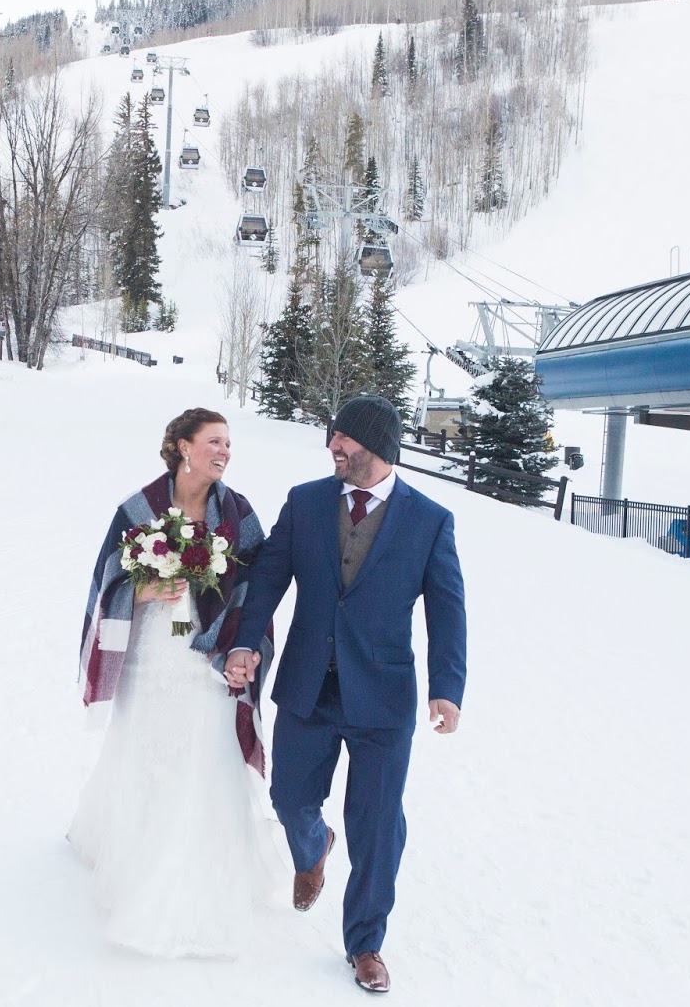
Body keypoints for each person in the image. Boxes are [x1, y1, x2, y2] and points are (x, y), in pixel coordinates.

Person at [225, 394, 468, 994]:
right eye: (332, 441)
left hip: (383, 698)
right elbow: (269, 580)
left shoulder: (430, 520)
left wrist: (448, 688)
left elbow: (447, 609)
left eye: (344, 443)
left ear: (377, 448)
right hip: (310, 685)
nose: (332, 449)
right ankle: (314, 847)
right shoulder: (305, 502)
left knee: (377, 823)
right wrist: (246, 641)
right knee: (289, 798)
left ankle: (365, 942)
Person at [71, 408, 283, 957]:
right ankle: (135, 857)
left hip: (205, 655)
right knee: (146, 750)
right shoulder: (137, 509)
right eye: (214, 441)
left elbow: (256, 587)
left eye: (229, 444)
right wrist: (140, 592)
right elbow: (106, 582)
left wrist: (244, 645)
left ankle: (197, 869)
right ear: (183, 446)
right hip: (149, 654)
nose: (225, 452)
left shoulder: (238, 514)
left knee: (201, 755)